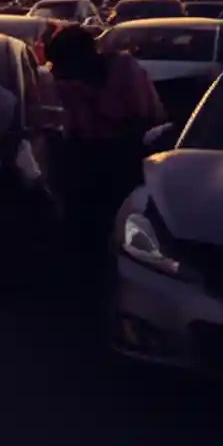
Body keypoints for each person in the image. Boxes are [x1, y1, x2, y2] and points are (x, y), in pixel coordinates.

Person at [45, 25, 166, 279]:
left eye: (63, 66)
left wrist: (89, 97)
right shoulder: (63, 83)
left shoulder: (123, 70)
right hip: (80, 160)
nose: (59, 72)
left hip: (120, 158)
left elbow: (141, 117)